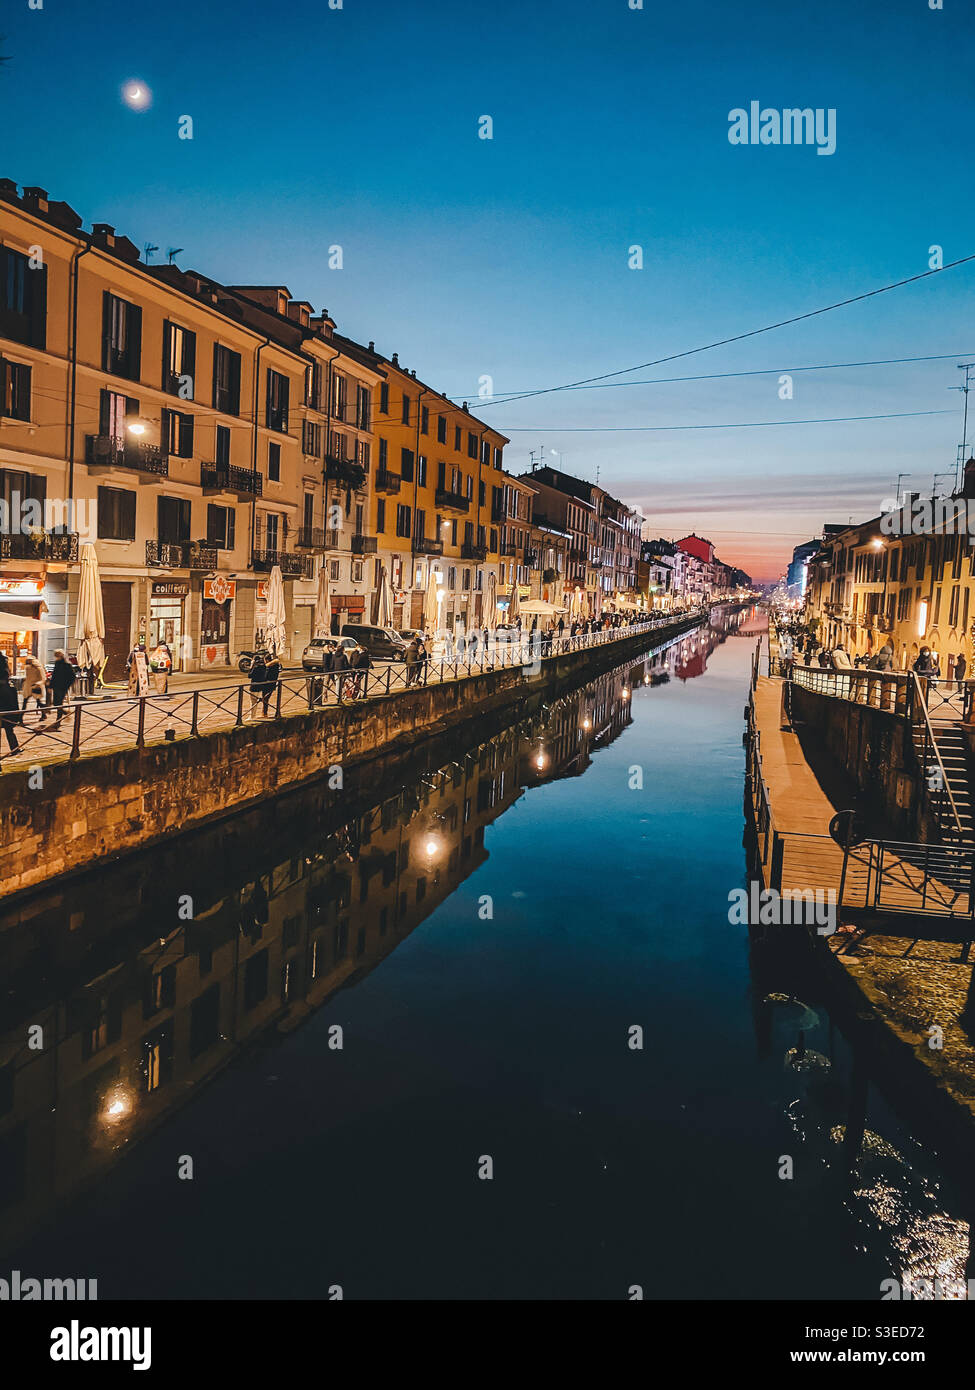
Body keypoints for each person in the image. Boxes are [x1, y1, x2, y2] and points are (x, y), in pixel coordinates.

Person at [50, 649, 76, 729]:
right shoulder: (57, 663)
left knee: (59, 704)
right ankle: (65, 713)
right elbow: (54, 675)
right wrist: (51, 685)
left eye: (56, 656)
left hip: (62, 687)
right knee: (56, 703)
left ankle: (58, 722)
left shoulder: (66, 664)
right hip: (56, 686)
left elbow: (72, 676)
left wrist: (66, 685)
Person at [21, 652, 48, 722]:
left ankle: (44, 714)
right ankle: (20, 717)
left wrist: (38, 684)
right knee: (25, 702)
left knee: (38, 702)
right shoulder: (28, 668)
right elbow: (28, 678)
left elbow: (43, 678)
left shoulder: (38, 668)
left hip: (36, 687)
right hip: (29, 687)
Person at [0, 675, 20, 754]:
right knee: (9, 731)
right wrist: (17, 716)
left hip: (5, 714)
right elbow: (15, 704)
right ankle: (15, 749)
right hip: (8, 714)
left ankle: (15, 748)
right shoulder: (11, 688)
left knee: (9, 732)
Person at [247, 653, 267, 720]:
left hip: (254, 686)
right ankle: (253, 715)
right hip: (260, 686)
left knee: (253, 702)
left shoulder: (255, 667)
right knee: (256, 702)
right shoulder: (264, 667)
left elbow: (249, 675)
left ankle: (252, 716)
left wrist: (251, 666)